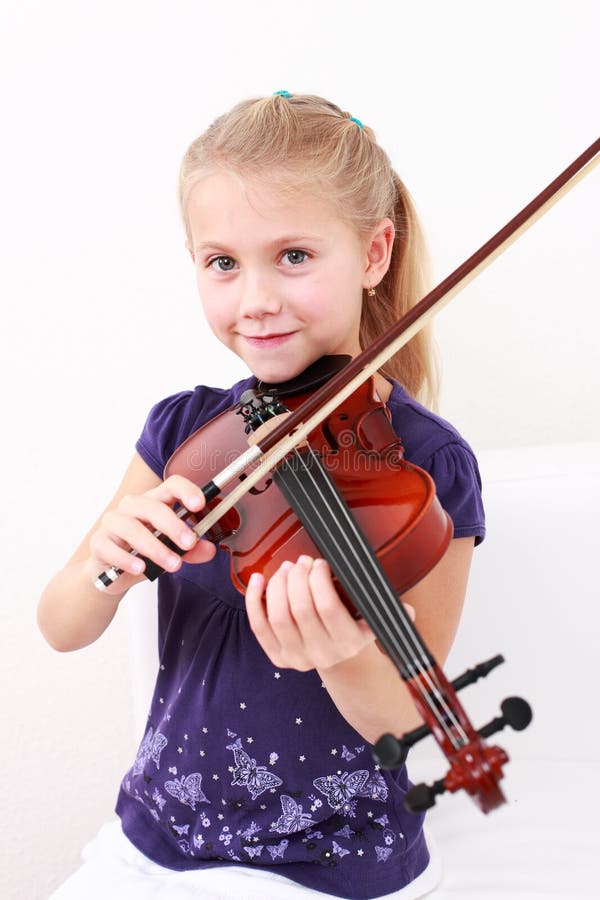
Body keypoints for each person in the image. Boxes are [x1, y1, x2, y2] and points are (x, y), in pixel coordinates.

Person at [39, 92, 485, 900]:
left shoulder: (426, 464)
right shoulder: (186, 433)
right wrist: (104, 562)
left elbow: (407, 717)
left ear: (374, 254)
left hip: (336, 865)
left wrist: (342, 654)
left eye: (294, 256)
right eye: (223, 263)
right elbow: (61, 626)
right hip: (158, 838)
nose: (255, 301)